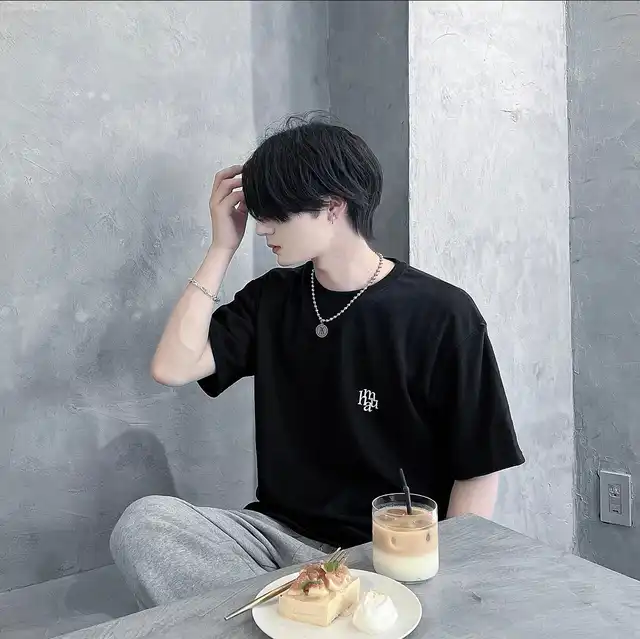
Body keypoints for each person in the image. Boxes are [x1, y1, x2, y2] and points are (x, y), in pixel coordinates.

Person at [110, 113, 525, 608]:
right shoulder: (272, 298)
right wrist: (221, 247)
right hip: (274, 541)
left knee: (248, 607)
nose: (262, 228)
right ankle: (318, 609)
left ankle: (300, 610)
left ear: (332, 206)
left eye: (276, 214)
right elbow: (173, 367)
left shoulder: (441, 313)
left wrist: (441, 581)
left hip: (383, 548)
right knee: (145, 525)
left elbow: (478, 467)